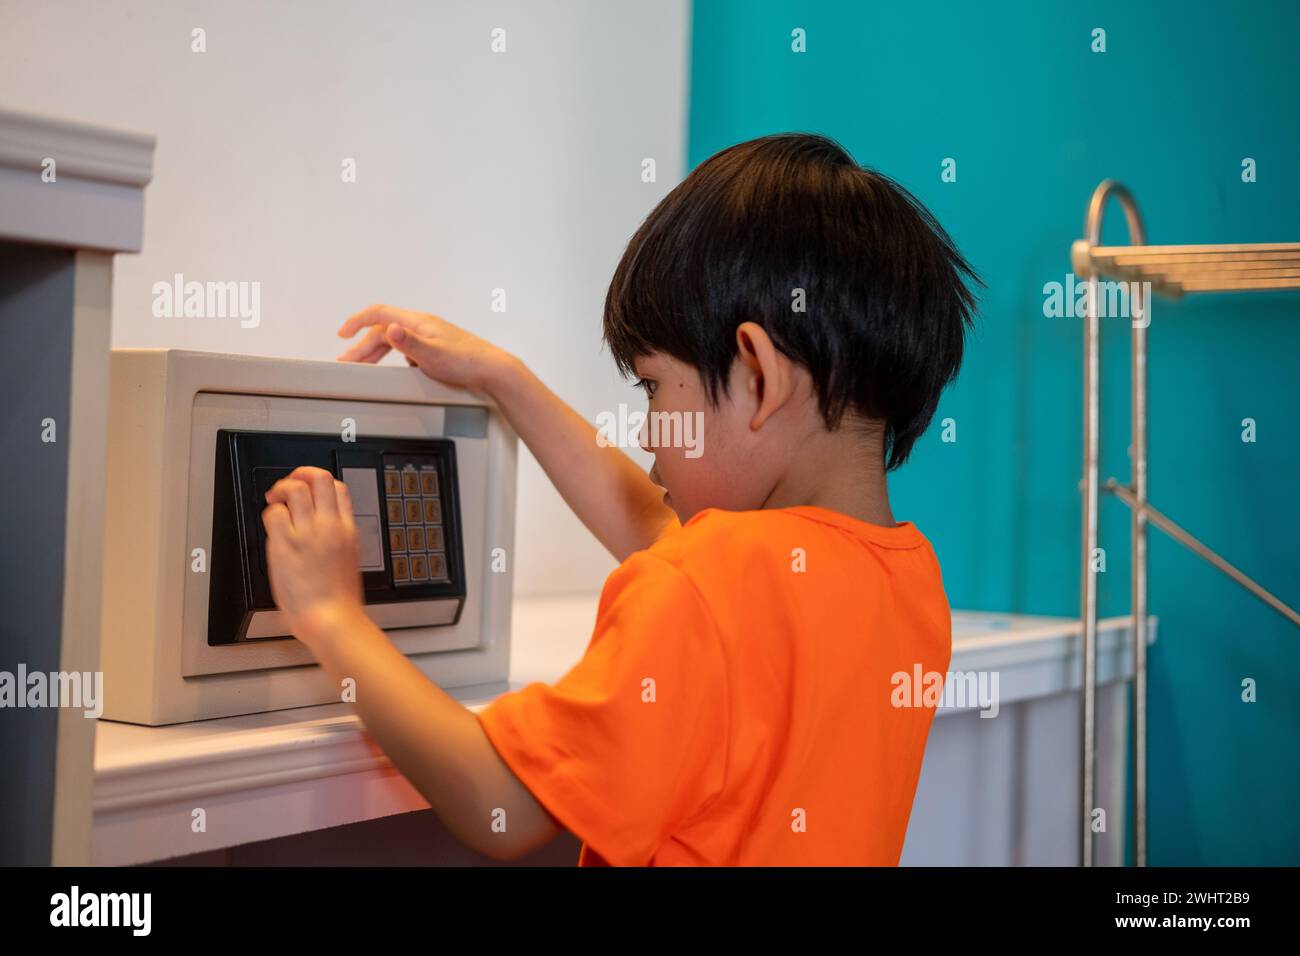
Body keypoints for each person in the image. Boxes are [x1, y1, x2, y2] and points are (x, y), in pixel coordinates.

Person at [262, 132, 981, 865]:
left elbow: (500, 803)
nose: (645, 434)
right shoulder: (907, 579)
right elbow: (664, 531)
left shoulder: (712, 581)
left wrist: (330, 618)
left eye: (652, 387)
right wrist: (504, 380)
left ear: (759, 378)